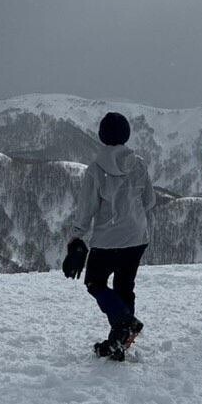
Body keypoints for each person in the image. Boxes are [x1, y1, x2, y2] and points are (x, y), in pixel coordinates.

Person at [62, 111, 156, 360]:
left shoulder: (95, 170)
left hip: (107, 241)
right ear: (126, 135)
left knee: (95, 283)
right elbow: (150, 200)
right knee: (125, 287)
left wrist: (75, 237)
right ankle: (120, 342)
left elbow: (86, 210)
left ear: (102, 136)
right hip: (137, 238)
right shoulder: (139, 164)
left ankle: (125, 324)